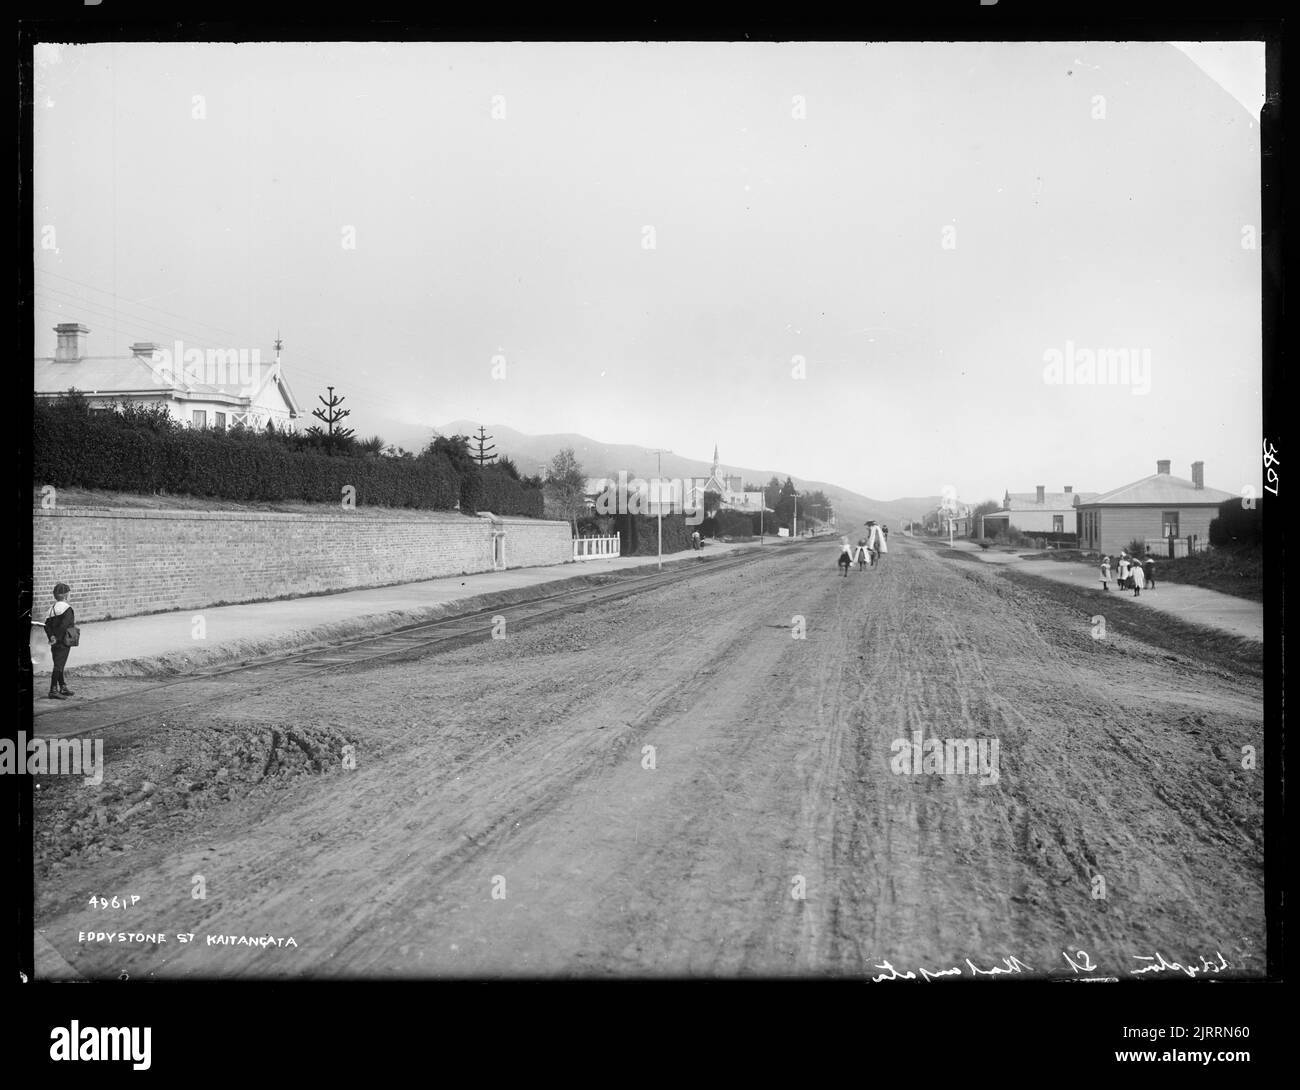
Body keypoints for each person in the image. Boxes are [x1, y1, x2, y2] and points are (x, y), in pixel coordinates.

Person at [43, 582, 76, 700]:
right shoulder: (68, 609)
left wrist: (51, 637)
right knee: (58, 665)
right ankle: (53, 690)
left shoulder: (51, 609)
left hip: (54, 642)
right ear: (66, 595)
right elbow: (64, 625)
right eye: (69, 594)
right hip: (64, 641)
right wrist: (57, 637)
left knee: (59, 664)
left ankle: (62, 686)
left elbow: (46, 626)